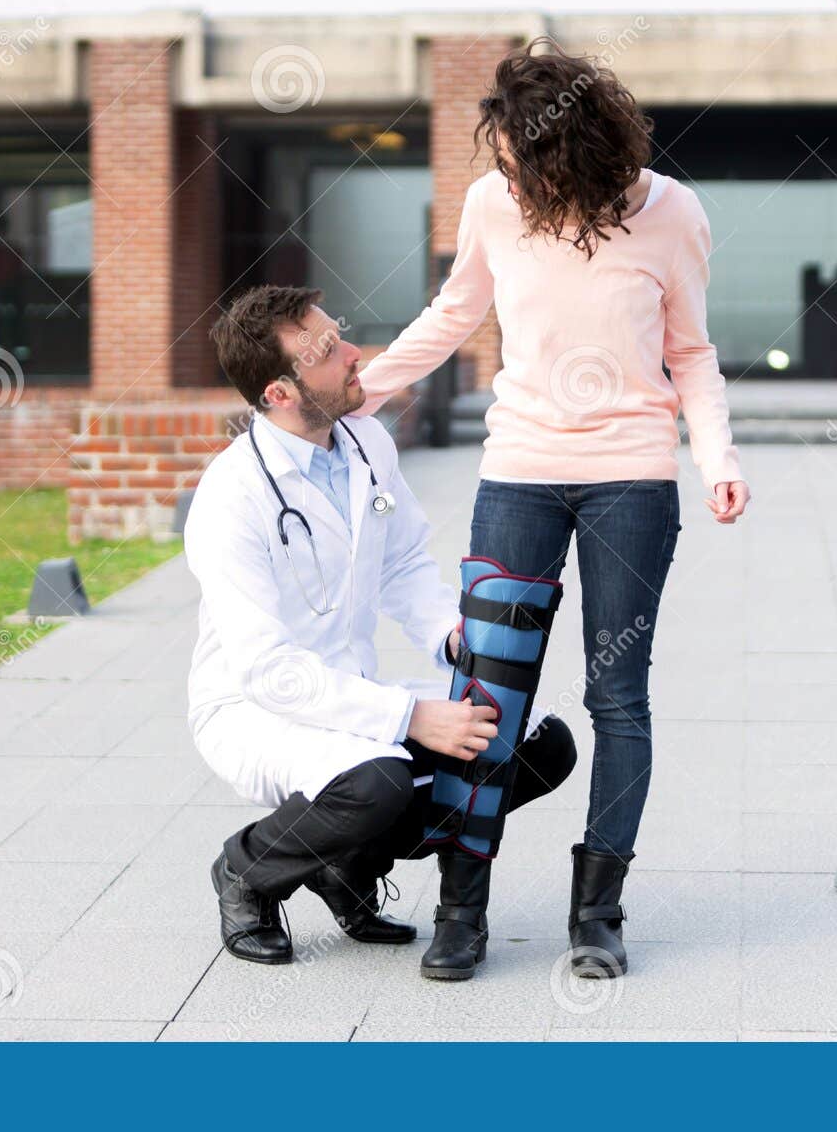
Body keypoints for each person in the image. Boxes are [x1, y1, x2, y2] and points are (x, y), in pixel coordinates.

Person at [352, 40, 750, 978]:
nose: (510, 177)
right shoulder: (493, 202)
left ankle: (598, 912)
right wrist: (361, 391)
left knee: (618, 696)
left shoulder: (672, 212)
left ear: (575, 154)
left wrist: (716, 457)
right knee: (486, 698)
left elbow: (691, 352)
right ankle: (461, 910)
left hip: (632, 480)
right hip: (520, 472)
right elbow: (454, 314)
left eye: (524, 163)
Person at [186, 285, 577, 980]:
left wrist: (452, 637)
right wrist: (413, 717)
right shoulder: (230, 496)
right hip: (255, 708)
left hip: (352, 693)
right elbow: (269, 671)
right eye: (327, 350)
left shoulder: (367, 443)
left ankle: (346, 861)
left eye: (338, 335)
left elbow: (402, 564)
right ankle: (247, 868)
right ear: (279, 393)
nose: (353, 353)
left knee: (541, 742)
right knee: (380, 785)